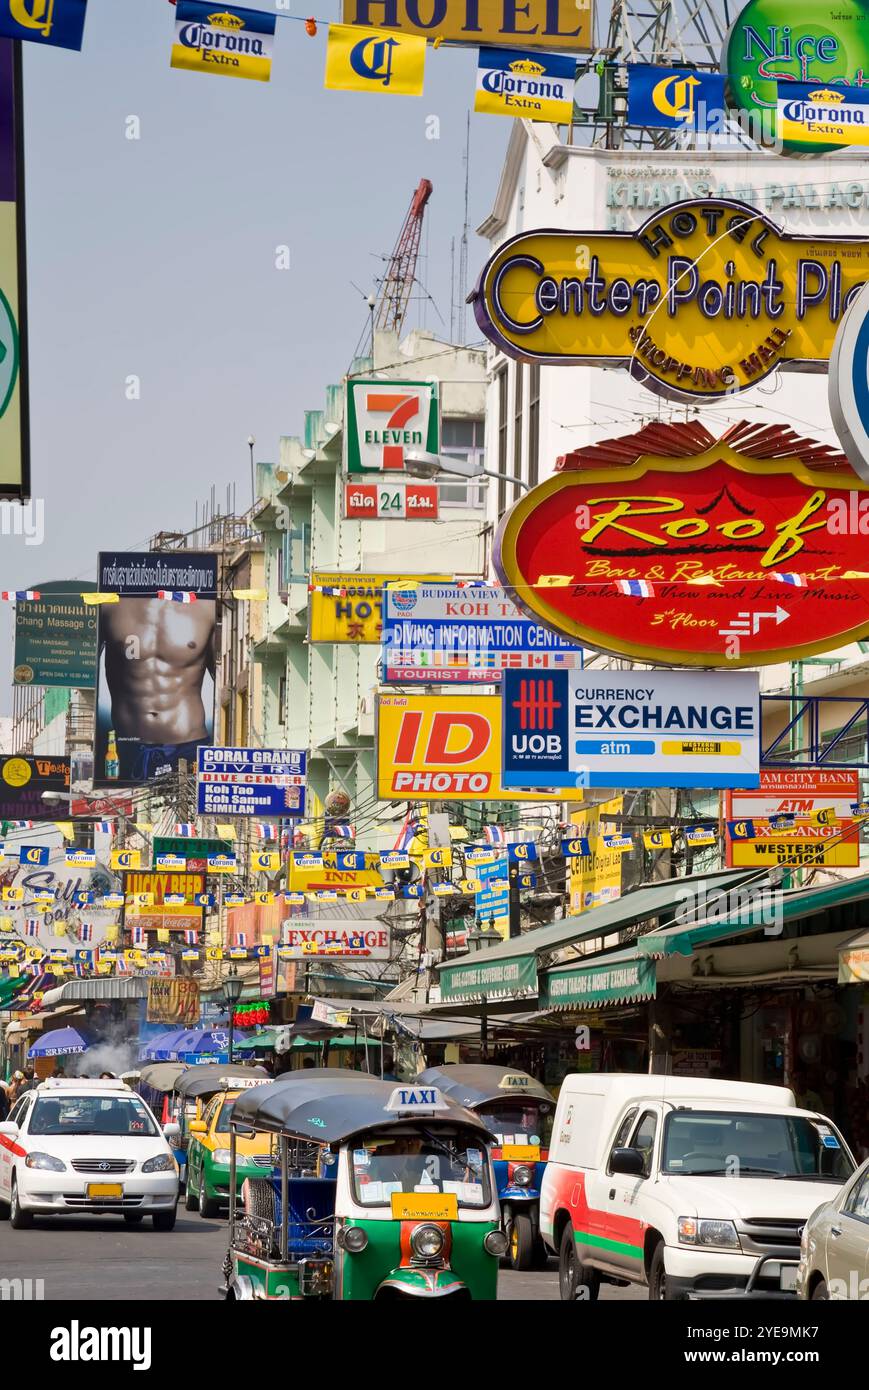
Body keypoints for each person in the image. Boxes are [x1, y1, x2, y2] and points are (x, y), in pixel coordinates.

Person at [100, 592, 216, 781]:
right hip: (128, 745)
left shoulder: (206, 607)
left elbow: (225, 679)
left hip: (189, 744)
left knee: (190, 810)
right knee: (129, 809)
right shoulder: (108, 605)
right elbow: (85, 673)